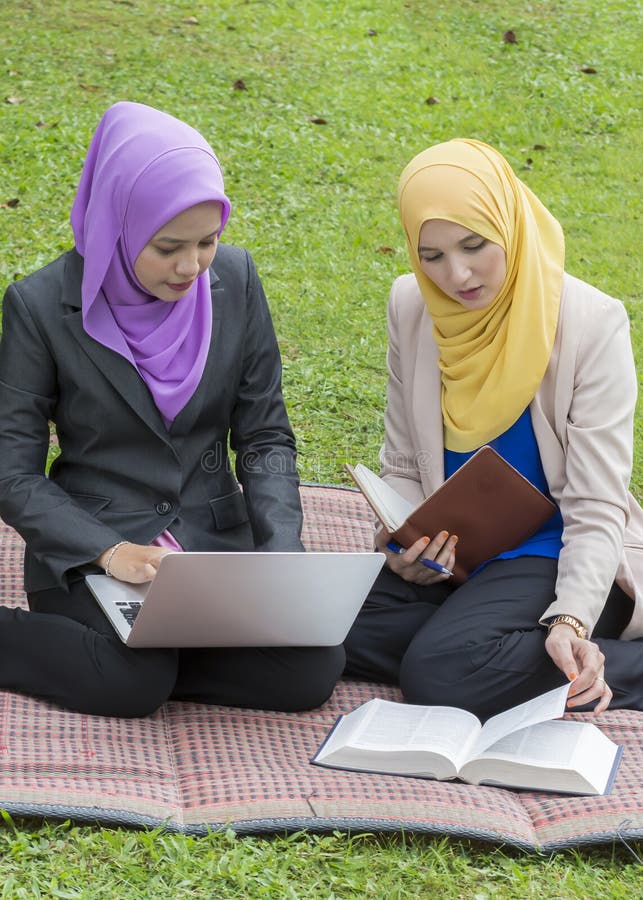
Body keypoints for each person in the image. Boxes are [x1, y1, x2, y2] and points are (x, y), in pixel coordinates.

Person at [0, 101, 344, 717]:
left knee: (310, 671)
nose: (191, 267)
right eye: (167, 247)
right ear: (118, 223)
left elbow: (265, 436)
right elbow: (12, 472)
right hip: (97, 554)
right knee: (130, 682)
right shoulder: (39, 306)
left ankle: (151, 659)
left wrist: (281, 555)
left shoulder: (237, 282)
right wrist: (111, 551)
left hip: (211, 551)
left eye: (208, 242)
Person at [344, 139, 643, 720]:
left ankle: (601, 660)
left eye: (474, 245)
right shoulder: (412, 305)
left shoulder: (590, 324)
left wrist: (570, 617)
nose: (456, 274)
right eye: (432, 256)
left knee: (440, 673)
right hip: (456, 555)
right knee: (321, 629)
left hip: (558, 552)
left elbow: (596, 505)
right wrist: (401, 545)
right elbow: (402, 466)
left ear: (508, 225)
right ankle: (484, 648)